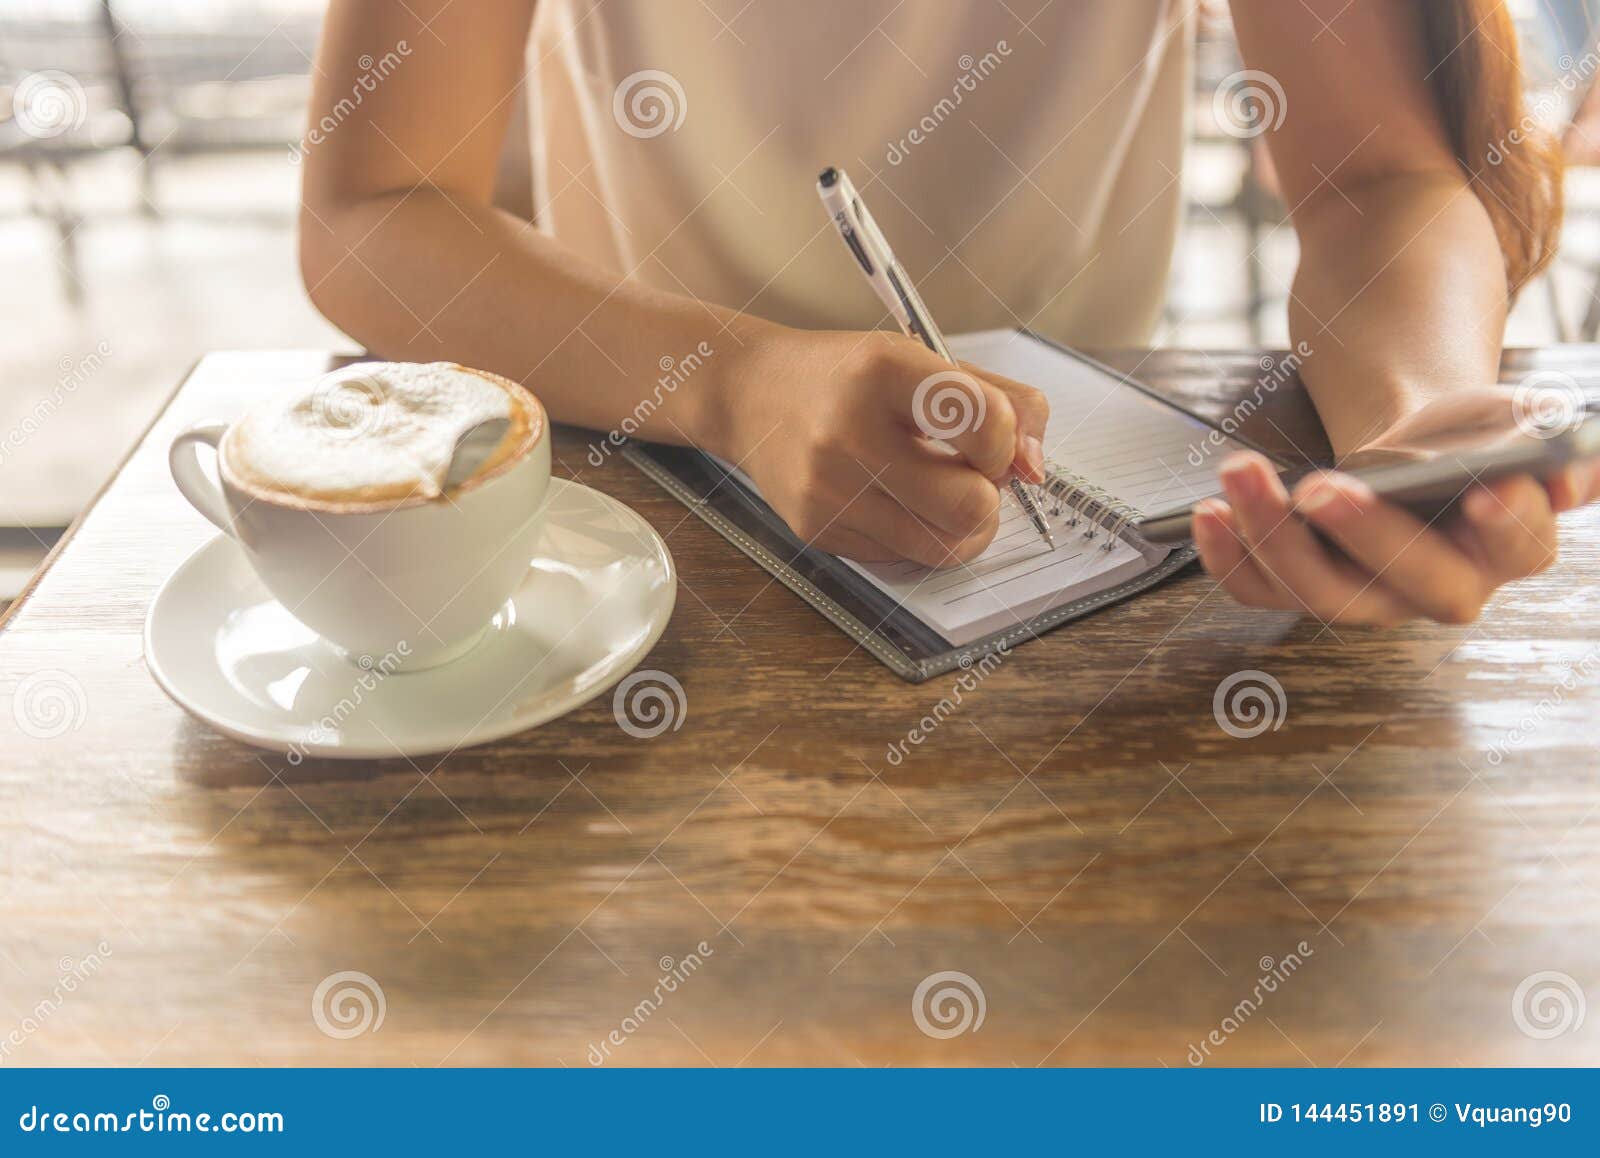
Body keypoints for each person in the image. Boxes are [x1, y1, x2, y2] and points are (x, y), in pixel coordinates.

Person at [299, 1, 1599, 627]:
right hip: (624, 520)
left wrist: (1416, 410)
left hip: (1085, 556)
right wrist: (736, 383)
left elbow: (1377, 178)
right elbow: (368, 211)